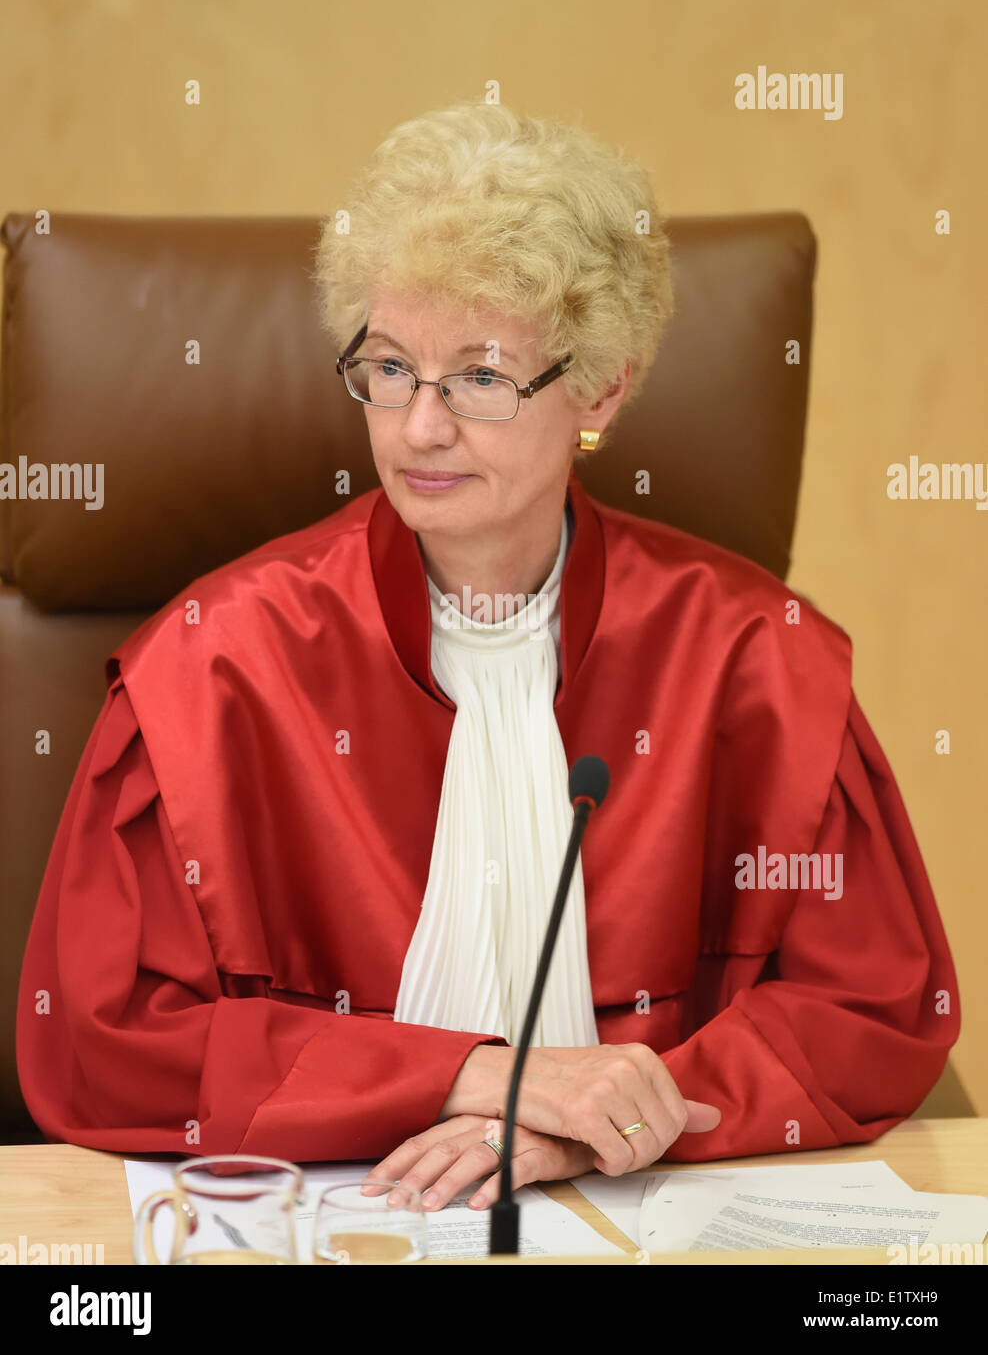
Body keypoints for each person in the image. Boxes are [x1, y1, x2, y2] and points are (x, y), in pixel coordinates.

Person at [17, 101, 959, 1215]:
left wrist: (597, 1127)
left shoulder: (752, 657)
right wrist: (476, 1076)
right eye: (387, 366)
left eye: (479, 377)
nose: (417, 428)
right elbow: (101, 1036)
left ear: (601, 389)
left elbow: (871, 1005)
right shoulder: (215, 668)